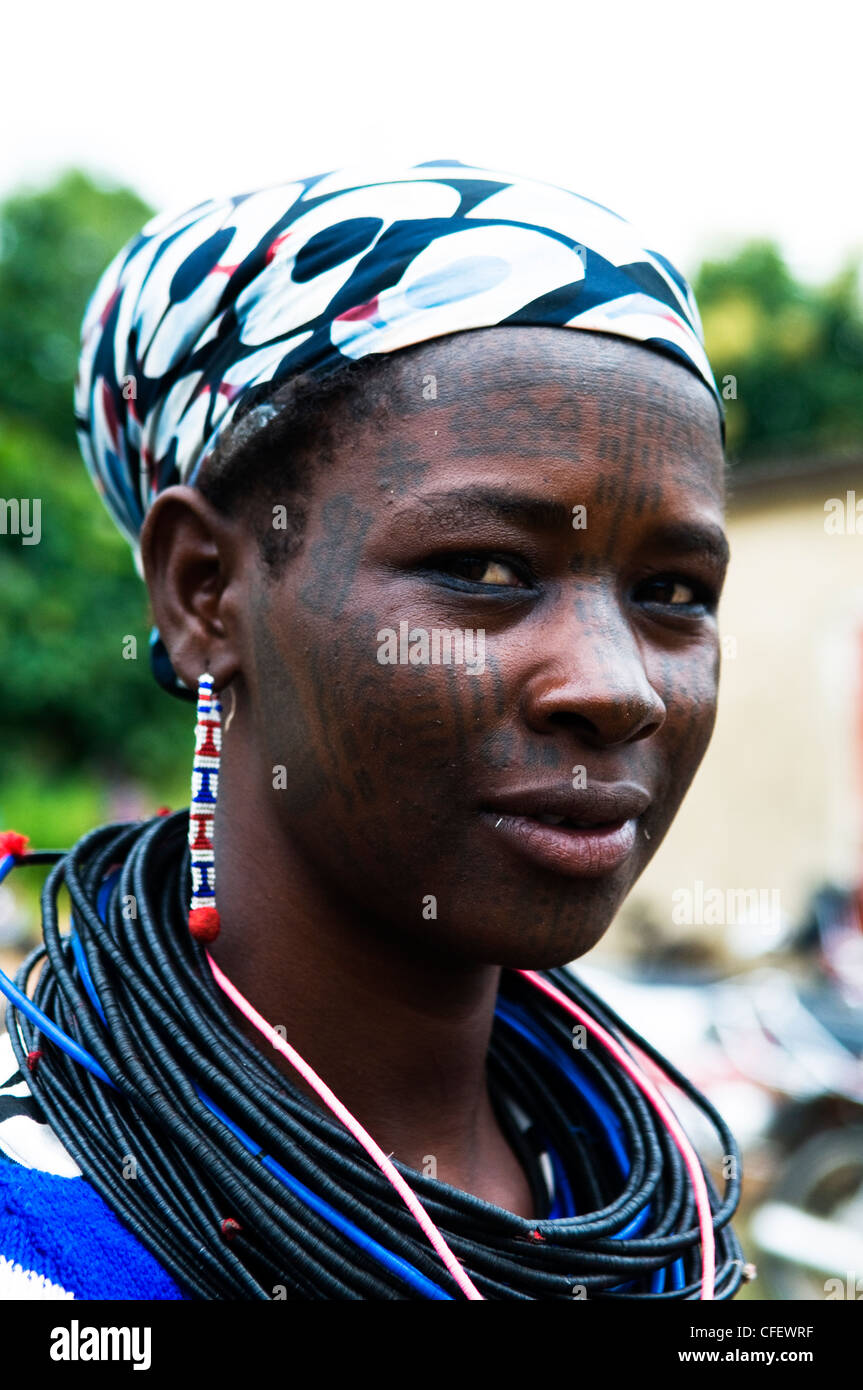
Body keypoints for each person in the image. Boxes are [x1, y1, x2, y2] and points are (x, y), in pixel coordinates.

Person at [0, 158, 745, 1300]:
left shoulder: (658, 1212)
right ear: (204, 592)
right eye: (484, 568)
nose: (616, 688)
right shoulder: (40, 1246)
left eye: (674, 591)